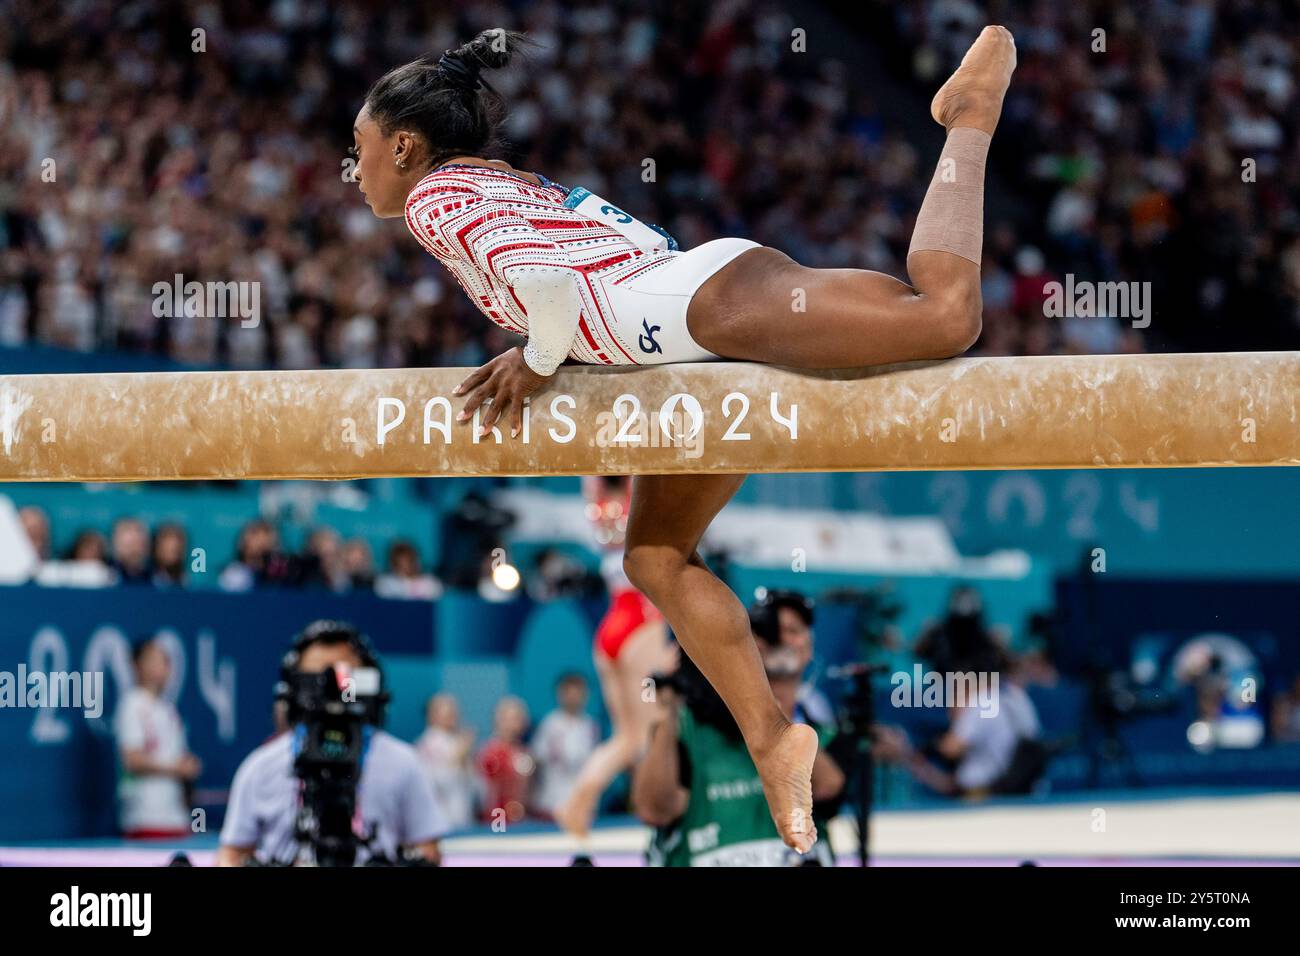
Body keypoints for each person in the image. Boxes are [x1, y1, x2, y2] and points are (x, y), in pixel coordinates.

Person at [352, 25, 1017, 852]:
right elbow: (597, 270)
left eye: (361, 146)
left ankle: (968, 116)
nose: (357, 169)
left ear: (406, 145)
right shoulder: (503, 182)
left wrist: (537, 352)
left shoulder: (433, 199)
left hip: (703, 312)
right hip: (694, 334)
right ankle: (775, 741)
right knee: (655, 555)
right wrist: (545, 344)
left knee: (945, 316)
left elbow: (557, 293)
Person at [217, 621, 446, 865]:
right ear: (293, 688)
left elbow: (428, 847)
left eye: (344, 675)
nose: (331, 692)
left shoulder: (403, 762)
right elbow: (232, 852)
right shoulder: (260, 767)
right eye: (316, 679)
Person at [553, 476, 671, 838]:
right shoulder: (639, 497)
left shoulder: (598, 502)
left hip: (612, 623)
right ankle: (660, 811)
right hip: (640, 621)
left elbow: (592, 472)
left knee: (628, 738)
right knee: (655, 733)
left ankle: (577, 801)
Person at [114, 637, 201, 839]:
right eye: (153, 659)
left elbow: (178, 758)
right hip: (145, 817)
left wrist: (188, 767)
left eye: (165, 660)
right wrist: (176, 768)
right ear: (137, 665)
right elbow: (131, 760)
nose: (162, 666)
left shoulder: (168, 709)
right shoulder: (132, 704)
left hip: (176, 818)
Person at [531, 673, 600, 820]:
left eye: (578, 692)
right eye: (569, 692)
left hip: (582, 806)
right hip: (551, 804)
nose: (574, 697)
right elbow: (535, 762)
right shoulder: (549, 725)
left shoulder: (591, 727)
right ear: (560, 694)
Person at [414, 693, 476, 831]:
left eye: (454, 712)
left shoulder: (456, 741)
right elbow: (435, 783)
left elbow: (473, 785)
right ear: (432, 715)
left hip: (463, 818)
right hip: (441, 821)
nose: (453, 716)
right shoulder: (428, 743)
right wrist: (458, 756)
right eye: (448, 712)